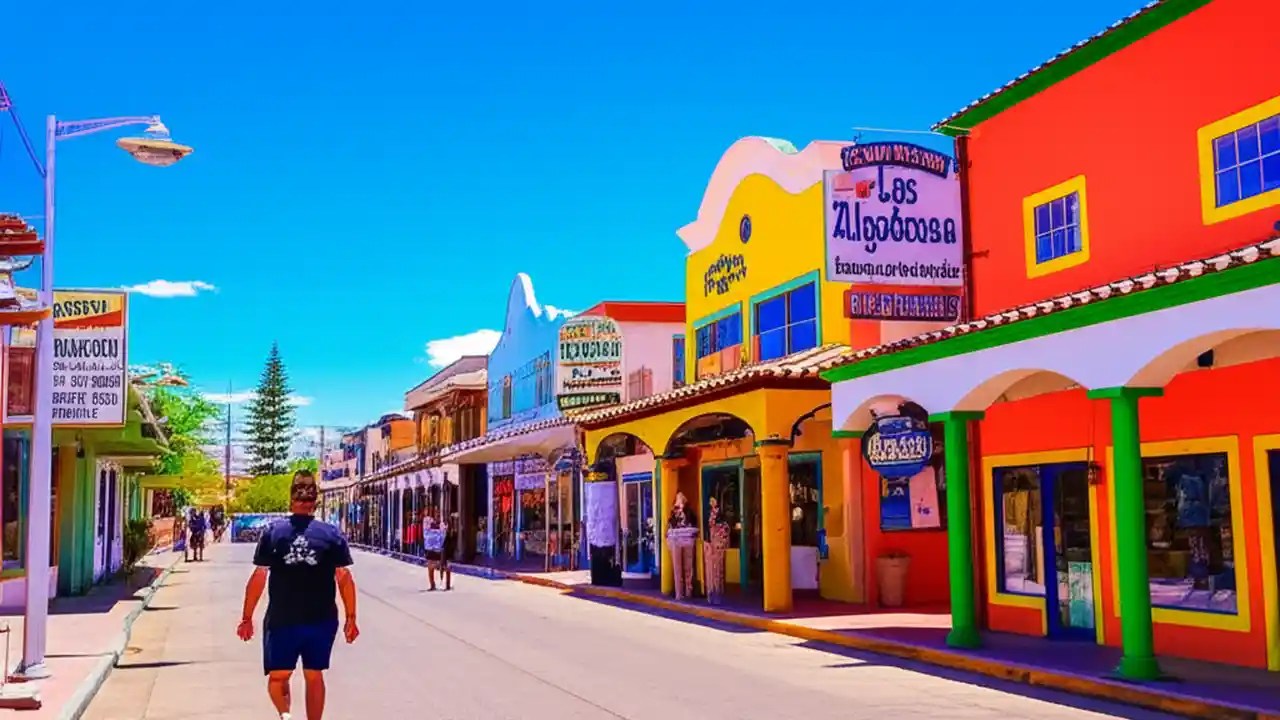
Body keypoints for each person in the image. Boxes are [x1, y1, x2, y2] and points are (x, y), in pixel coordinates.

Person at [237, 470, 359, 720]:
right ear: (315, 502)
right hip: (322, 619)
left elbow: (259, 577)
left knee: (278, 676)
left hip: (283, 619)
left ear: (291, 500)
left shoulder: (273, 532)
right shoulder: (331, 534)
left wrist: (247, 617)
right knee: (314, 675)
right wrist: (351, 618)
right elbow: (344, 577)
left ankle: (285, 715)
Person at [666, 492, 698, 600]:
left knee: (688, 567)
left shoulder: (690, 512)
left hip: (688, 540)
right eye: (677, 498)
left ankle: (689, 591)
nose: (679, 500)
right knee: (677, 568)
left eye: (681, 498)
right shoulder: (673, 513)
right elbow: (670, 526)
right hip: (676, 541)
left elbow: (694, 524)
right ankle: (679, 593)